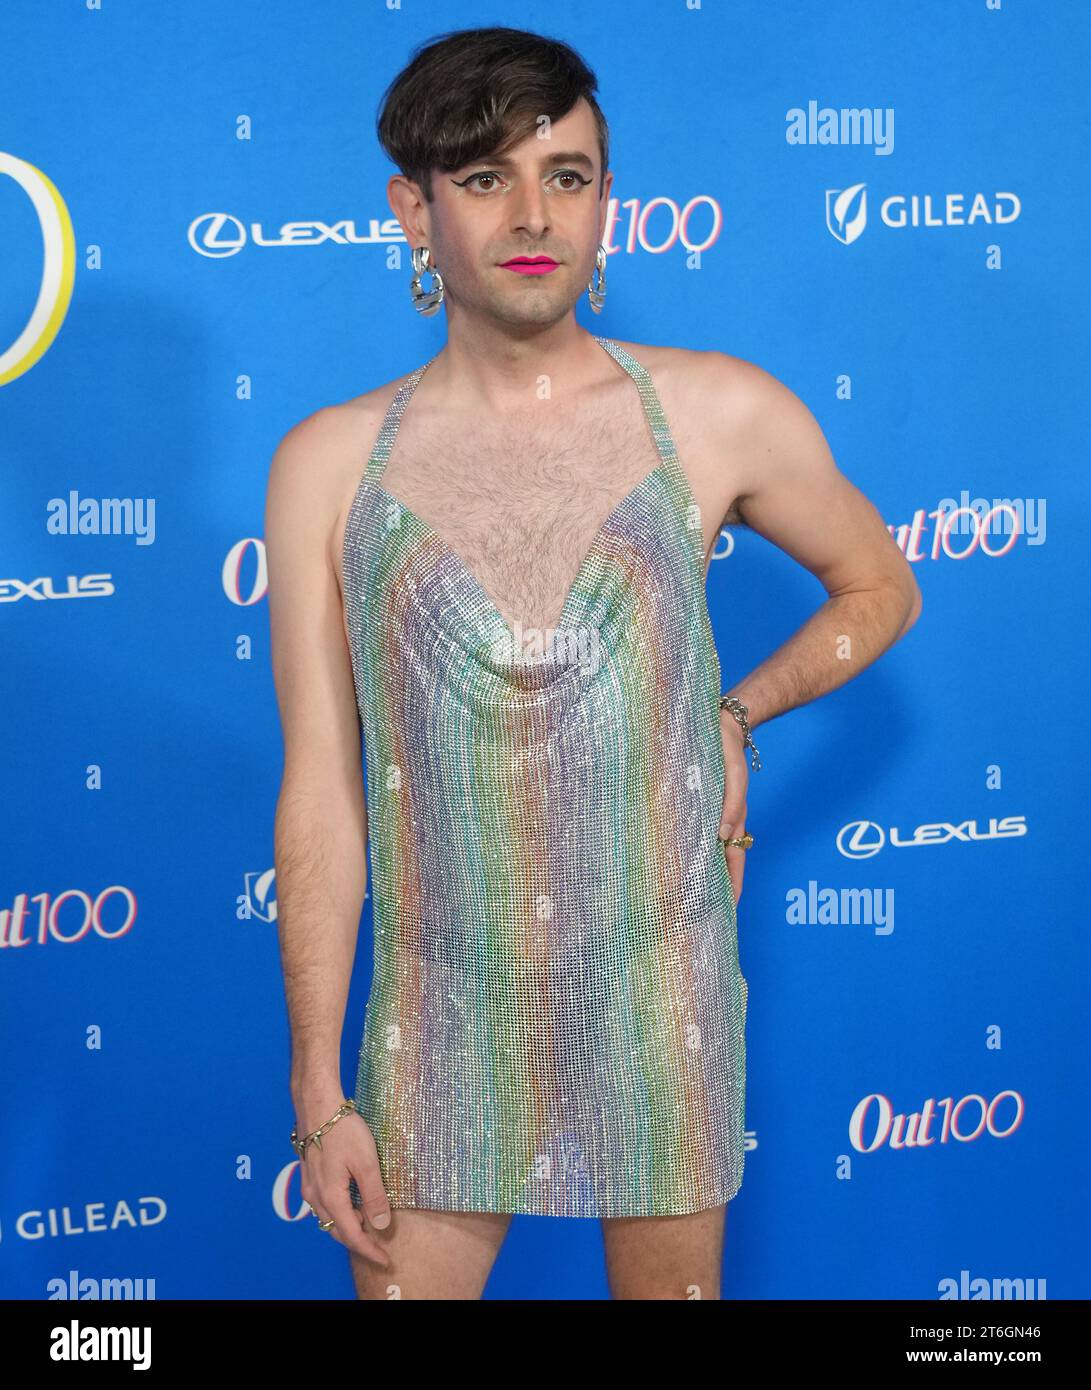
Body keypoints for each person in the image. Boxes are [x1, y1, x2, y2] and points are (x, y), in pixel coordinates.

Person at [265, 25, 921, 1301]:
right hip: (439, 1010)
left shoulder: (717, 411)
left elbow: (880, 587)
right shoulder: (328, 466)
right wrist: (315, 1086)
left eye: (566, 175)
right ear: (413, 209)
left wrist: (739, 709)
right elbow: (320, 798)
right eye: (483, 177)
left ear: (606, 201)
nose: (531, 214)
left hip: (659, 1000)